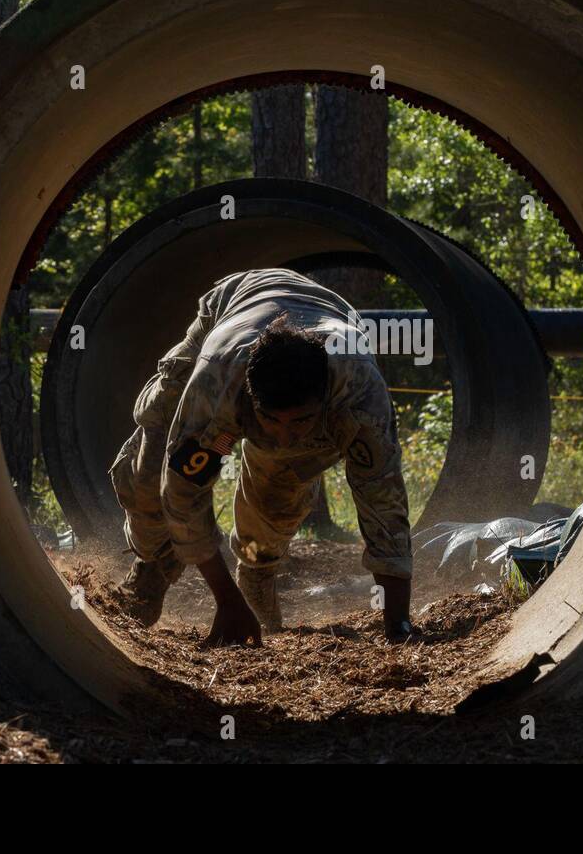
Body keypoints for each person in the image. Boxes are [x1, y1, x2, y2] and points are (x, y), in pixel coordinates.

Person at [109, 268, 414, 645]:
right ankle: (155, 565)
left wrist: (398, 626)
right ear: (250, 402)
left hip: (327, 318)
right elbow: (183, 491)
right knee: (148, 478)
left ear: (322, 403)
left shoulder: (358, 394)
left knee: (275, 501)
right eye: (272, 420)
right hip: (231, 310)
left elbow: (383, 502)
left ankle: (256, 574)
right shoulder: (218, 383)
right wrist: (225, 602)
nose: (284, 435)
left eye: (299, 421)